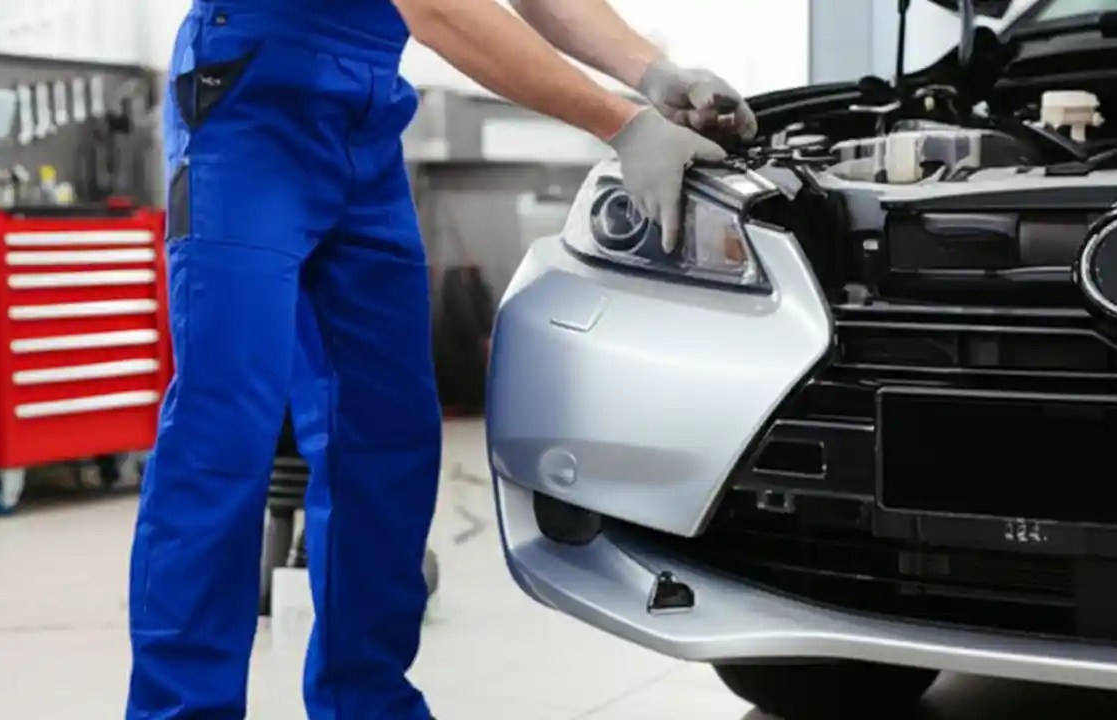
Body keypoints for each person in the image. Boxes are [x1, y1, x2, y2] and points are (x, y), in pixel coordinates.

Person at [126, 0, 757, 718]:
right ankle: (183, 709)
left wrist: (654, 71)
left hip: (362, 117)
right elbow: (439, 9)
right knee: (223, 429)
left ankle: (367, 701)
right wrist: (620, 122)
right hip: (247, 103)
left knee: (387, 437)